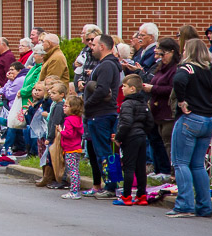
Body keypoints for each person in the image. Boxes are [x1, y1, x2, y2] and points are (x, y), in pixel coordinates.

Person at [167, 39, 212, 218]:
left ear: (189, 52)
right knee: (198, 165)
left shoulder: (187, 68)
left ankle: (184, 205)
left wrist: (182, 101)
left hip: (190, 119)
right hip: (209, 120)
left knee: (181, 163)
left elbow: (178, 81)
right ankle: (204, 206)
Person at [81, 35, 121, 199]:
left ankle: (111, 186)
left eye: (94, 44)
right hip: (102, 114)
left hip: (101, 115)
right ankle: (112, 184)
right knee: (108, 152)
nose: (91, 47)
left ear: (102, 47)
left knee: (105, 153)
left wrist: (87, 104)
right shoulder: (107, 64)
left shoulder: (107, 65)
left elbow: (103, 90)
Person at [113, 75, 154, 206]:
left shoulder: (127, 103)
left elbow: (126, 123)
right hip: (141, 136)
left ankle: (126, 196)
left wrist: (119, 137)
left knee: (129, 167)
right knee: (140, 168)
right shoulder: (143, 103)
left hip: (130, 137)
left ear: (132, 89)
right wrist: (142, 132)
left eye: (124, 86)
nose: (122, 89)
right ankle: (142, 195)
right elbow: (150, 122)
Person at [146, 37, 180, 179]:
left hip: (167, 112)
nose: (161, 57)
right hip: (156, 111)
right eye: (159, 54)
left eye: (163, 54)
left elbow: (172, 89)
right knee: (156, 142)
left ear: (172, 52)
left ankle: (170, 172)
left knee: (168, 143)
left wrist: (153, 88)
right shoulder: (161, 68)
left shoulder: (175, 69)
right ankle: (160, 169)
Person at [39, 82, 67, 189]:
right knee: (52, 158)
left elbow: (55, 123)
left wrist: (49, 137)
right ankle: (55, 178)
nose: (51, 95)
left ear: (62, 94)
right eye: (51, 93)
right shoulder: (55, 105)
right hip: (54, 135)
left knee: (56, 159)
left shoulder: (59, 106)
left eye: (54, 93)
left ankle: (60, 179)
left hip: (56, 136)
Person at [59, 96, 85, 199]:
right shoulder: (78, 119)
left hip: (70, 148)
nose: (64, 107)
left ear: (73, 108)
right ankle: (76, 189)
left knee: (72, 170)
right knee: (75, 169)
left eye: (66, 106)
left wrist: (61, 131)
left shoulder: (68, 120)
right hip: (77, 147)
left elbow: (68, 134)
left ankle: (74, 191)